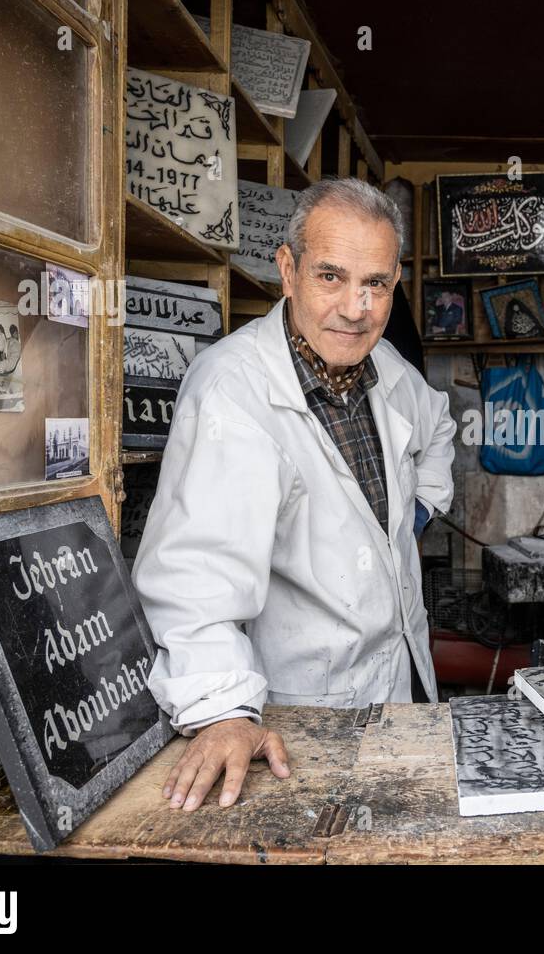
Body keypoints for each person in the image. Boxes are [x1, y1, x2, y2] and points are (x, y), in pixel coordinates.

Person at [133, 178, 456, 812]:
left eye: (377, 285)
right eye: (331, 277)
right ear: (287, 269)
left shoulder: (390, 370)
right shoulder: (232, 388)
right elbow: (195, 572)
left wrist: (413, 514)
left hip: (403, 678)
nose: (356, 307)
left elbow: (438, 425)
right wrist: (222, 710)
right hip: (299, 709)